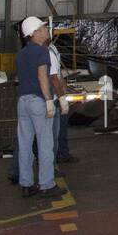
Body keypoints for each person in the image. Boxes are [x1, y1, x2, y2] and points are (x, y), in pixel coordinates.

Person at [16, 17, 61, 198]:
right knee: (45, 143)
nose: (46, 30)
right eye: (42, 28)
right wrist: (49, 100)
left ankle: (26, 184)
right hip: (37, 101)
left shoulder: (22, 53)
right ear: (34, 33)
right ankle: (46, 184)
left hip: (22, 102)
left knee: (25, 144)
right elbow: (43, 77)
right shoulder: (42, 51)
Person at [47, 30, 76, 166]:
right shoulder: (45, 51)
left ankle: (61, 152)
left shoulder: (53, 49)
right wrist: (61, 97)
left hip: (57, 94)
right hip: (53, 96)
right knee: (52, 131)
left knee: (61, 126)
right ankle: (53, 161)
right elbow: (53, 77)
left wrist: (64, 88)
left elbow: (58, 73)